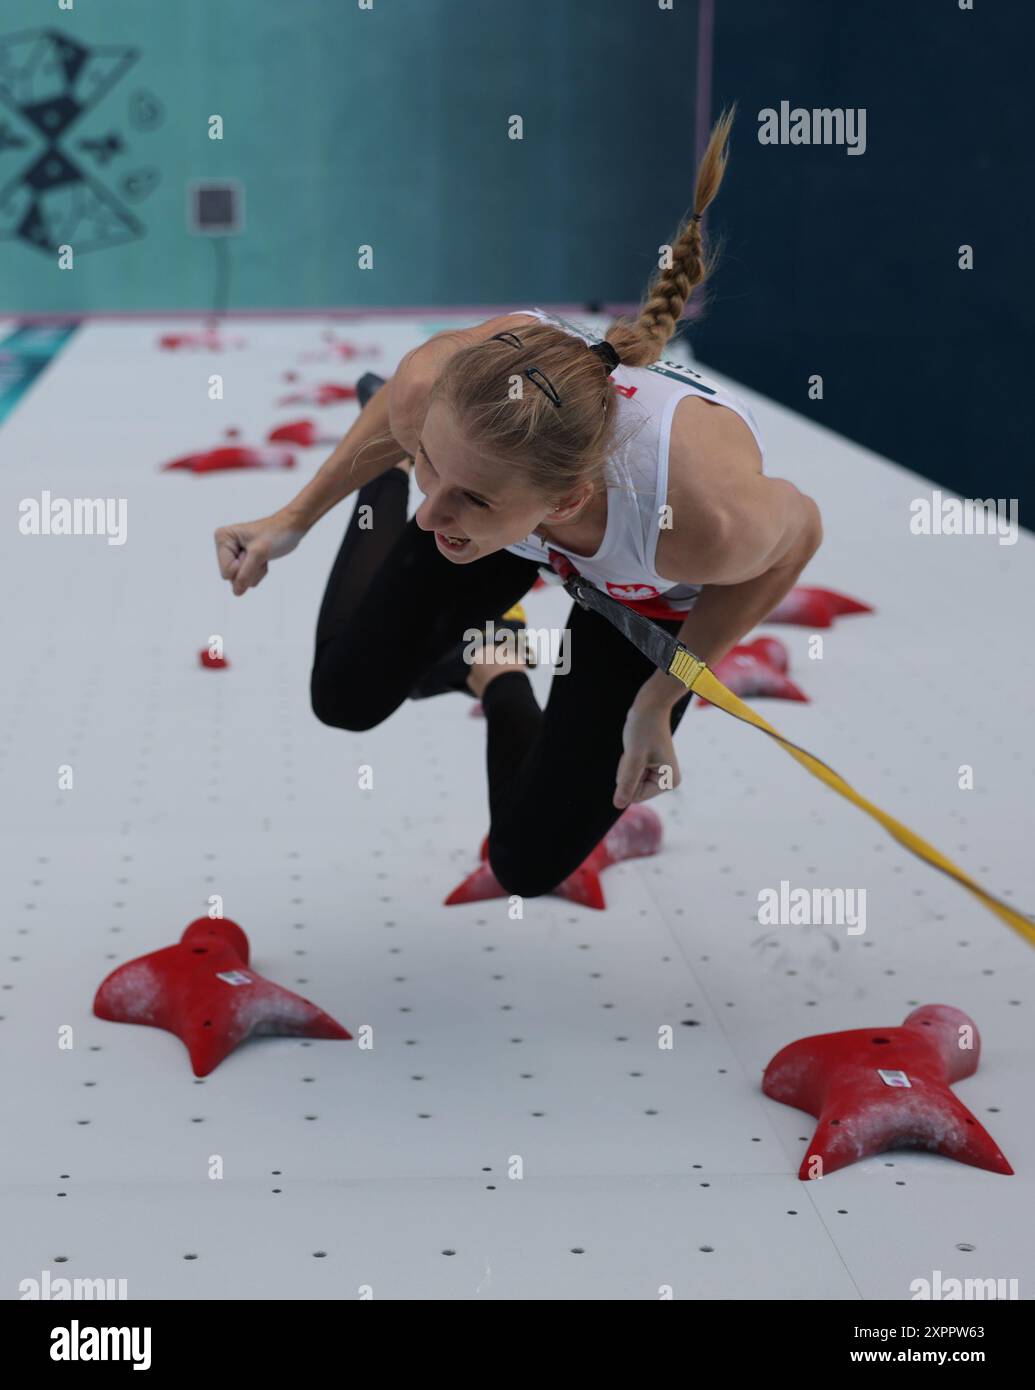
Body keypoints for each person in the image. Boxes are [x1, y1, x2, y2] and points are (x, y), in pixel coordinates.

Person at [214, 110, 822, 899]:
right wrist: (293, 517)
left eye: (460, 495)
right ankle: (411, 480)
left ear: (565, 497)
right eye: (425, 465)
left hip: (634, 579)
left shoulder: (705, 522)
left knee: (526, 864)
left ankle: (491, 668)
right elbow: (423, 421)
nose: (428, 517)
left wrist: (661, 694)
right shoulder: (437, 390)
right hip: (518, 523)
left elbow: (799, 533)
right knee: (344, 698)